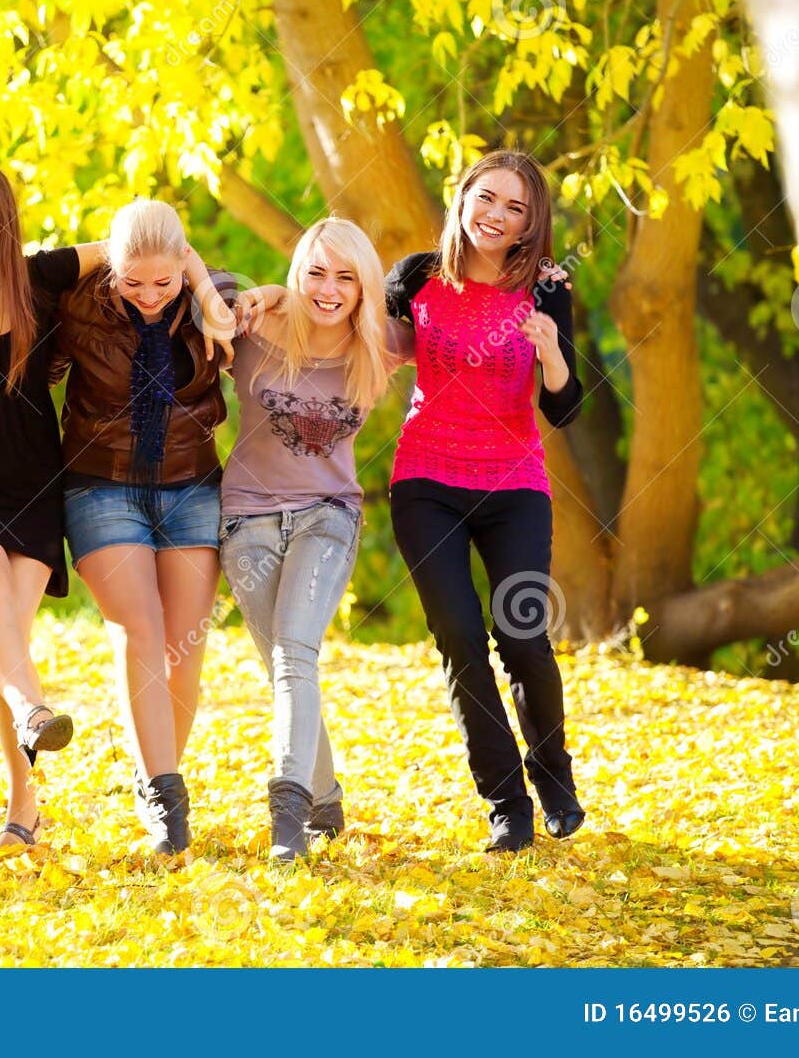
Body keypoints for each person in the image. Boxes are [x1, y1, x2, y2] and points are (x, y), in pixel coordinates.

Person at [383, 148, 586, 853]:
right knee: (461, 636)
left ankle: (553, 776)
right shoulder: (415, 276)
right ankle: (507, 805)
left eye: (515, 208)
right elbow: (370, 347)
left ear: (532, 224)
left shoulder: (547, 287)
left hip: (513, 482)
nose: (496, 215)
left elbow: (566, 407)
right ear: (462, 196)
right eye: (487, 198)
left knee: (522, 633)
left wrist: (551, 350)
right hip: (425, 480)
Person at [223, 218, 403, 861]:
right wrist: (265, 292)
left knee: (296, 653)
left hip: (329, 515)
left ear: (364, 286)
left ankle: (287, 814)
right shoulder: (253, 327)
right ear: (299, 271)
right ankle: (325, 796)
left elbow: (452, 300)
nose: (330, 289)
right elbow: (201, 290)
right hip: (245, 518)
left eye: (346, 276)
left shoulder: (381, 342)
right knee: (283, 666)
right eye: (317, 272)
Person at [54, 199, 231, 854]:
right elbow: (16, 351)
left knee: (185, 651)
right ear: (109, 267)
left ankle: (156, 774)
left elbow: (277, 311)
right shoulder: (77, 304)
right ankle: (166, 799)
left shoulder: (209, 298)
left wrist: (208, 288)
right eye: (133, 281)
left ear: (185, 264)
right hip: (102, 485)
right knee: (142, 632)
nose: (150, 296)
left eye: (165, 282)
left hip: (192, 486)